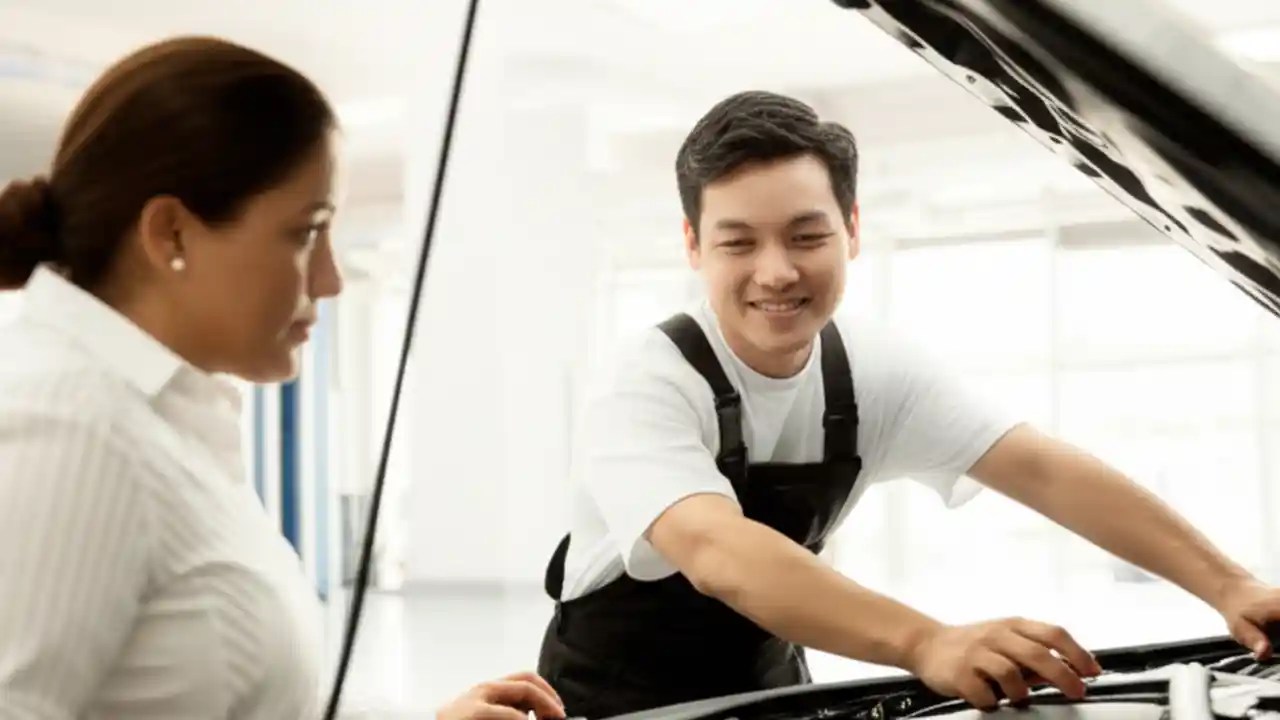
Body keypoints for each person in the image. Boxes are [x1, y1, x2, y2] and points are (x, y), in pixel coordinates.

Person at [536, 89, 1280, 719]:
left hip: (769, 694)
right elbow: (717, 552)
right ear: (694, 246)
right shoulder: (645, 381)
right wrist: (929, 642)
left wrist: (1229, 585)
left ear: (851, 232)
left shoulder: (868, 373)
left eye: (806, 235)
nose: (777, 271)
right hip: (616, 704)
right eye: (739, 243)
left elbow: (1042, 470)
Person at [0, 36, 563, 720]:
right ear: (172, 234)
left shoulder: (170, 421)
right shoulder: (70, 428)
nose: (329, 280)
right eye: (305, 234)